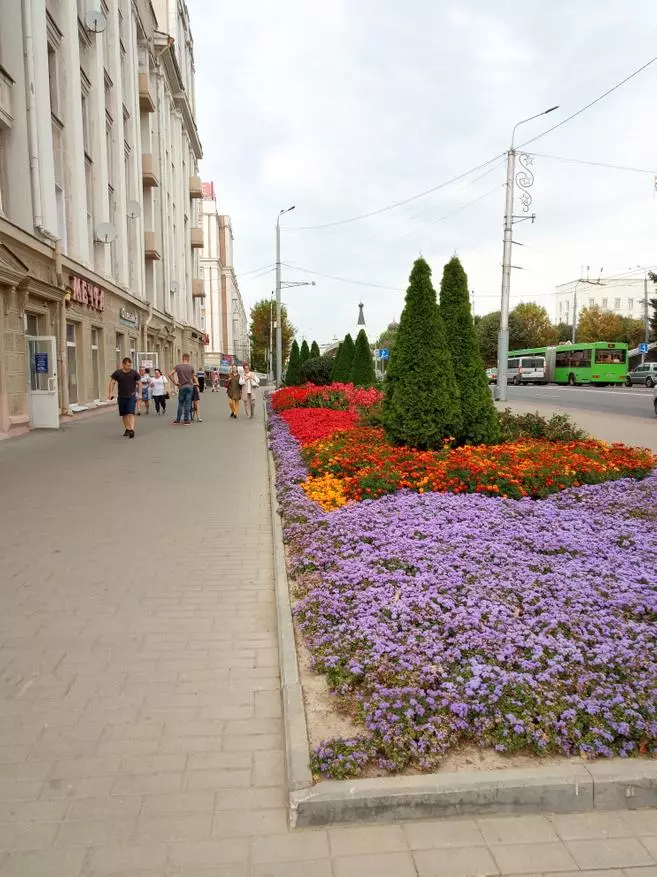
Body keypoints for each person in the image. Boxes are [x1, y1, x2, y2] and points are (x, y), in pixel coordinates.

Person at [108, 357, 141, 438]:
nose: (129, 367)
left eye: (130, 365)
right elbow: (112, 382)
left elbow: (139, 383)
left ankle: (132, 430)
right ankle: (127, 428)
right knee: (124, 414)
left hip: (131, 396)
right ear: (123, 365)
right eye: (127, 365)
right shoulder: (118, 373)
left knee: (131, 413)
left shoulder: (134, 373)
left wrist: (140, 394)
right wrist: (110, 393)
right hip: (122, 396)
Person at [169, 354, 195, 424]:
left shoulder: (178, 366)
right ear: (188, 359)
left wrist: (175, 383)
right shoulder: (191, 367)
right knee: (188, 403)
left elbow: (169, 374)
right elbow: (193, 377)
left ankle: (178, 419)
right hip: (189, 386)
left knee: (180, 403)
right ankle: (186, 420)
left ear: (182, 358)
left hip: (181, 386)